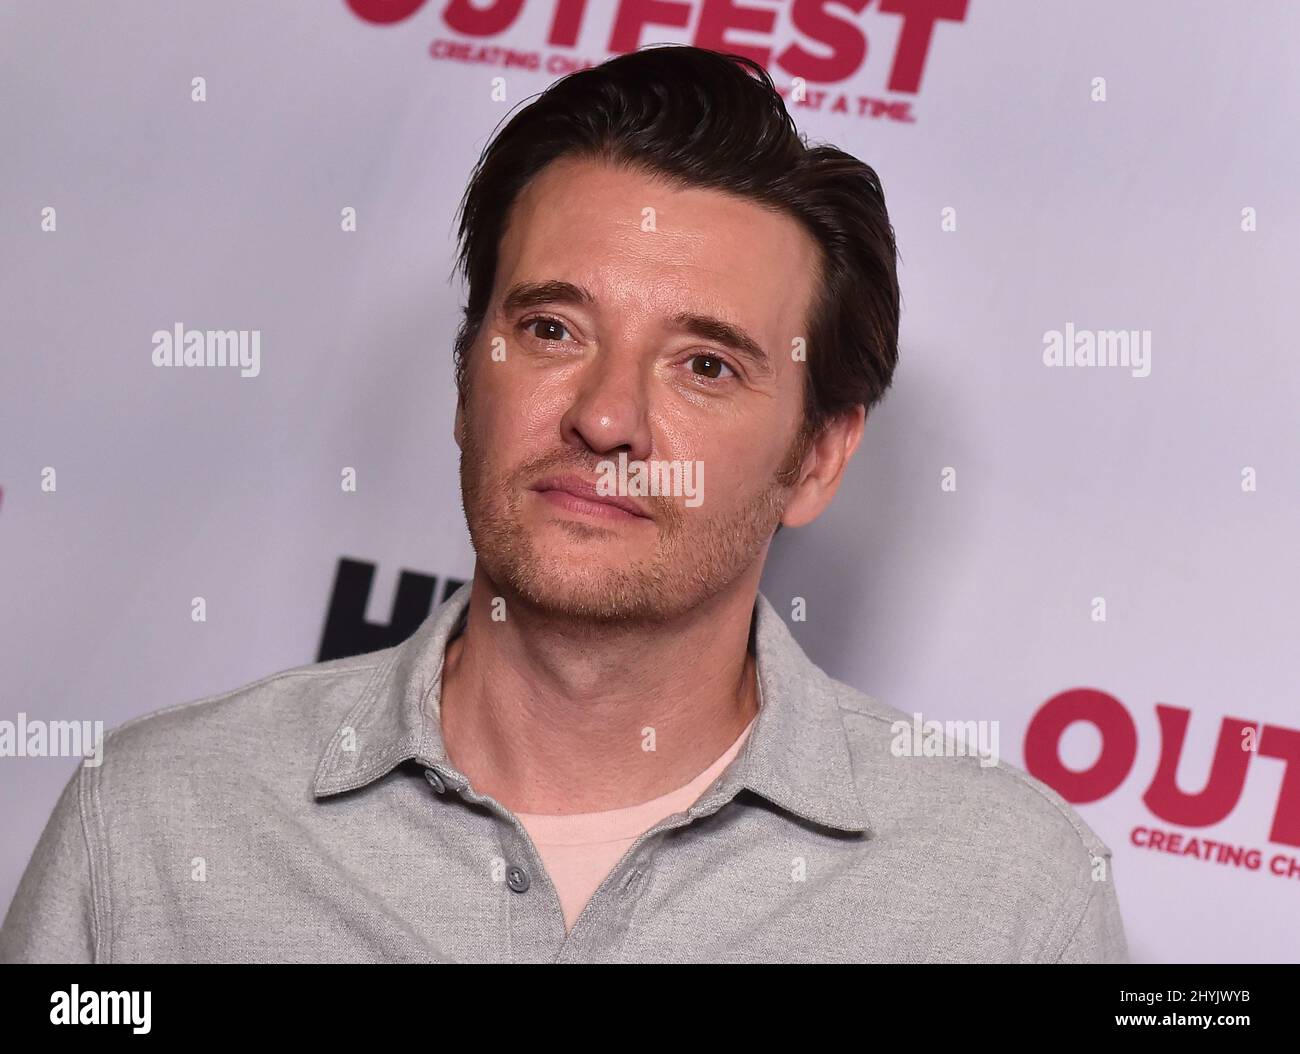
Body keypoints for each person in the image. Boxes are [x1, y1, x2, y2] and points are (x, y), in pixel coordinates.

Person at [0, 44, 1127, 963]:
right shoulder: (154, 825)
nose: (605, 418)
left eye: (705, 366)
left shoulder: (1006, 899)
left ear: (818, 459)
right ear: (465, 379)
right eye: (552, 329)